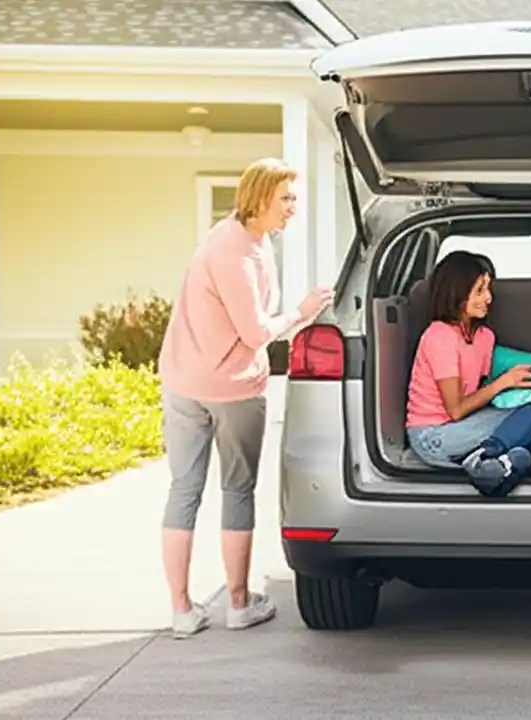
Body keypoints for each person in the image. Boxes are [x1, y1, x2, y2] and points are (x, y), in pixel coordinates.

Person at [157, 158, 335, 639]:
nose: (293, 208)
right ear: (259, 199)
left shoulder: (230, 237)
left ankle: (182, 610)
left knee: (183, 491)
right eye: (286, 199)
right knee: (237, 490)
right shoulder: (239, 256)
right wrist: (302, 312)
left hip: (182, 382)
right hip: (232, 390)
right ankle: (238, 603)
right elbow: (256, 333)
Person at [405, 251, 531, 497]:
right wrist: (504, 382)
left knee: (529, 418)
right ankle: (487, 458)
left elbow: (478, 395)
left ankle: (494, 468)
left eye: (488, 290)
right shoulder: (439, 336)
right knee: (527, 422)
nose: (489, 298)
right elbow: (457, 409)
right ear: (457, 293)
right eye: (480, 291)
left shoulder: (484, 337)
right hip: (432, 435)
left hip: (462, 426)